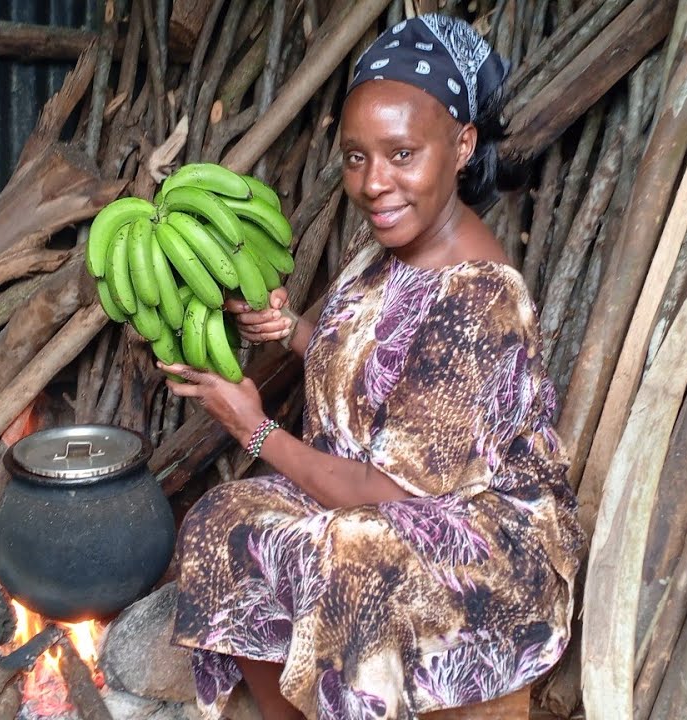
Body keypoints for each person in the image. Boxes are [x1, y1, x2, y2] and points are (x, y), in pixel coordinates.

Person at [157, 14, 583, 720]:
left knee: (353, 556)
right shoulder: (391, 254)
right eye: (357, 158)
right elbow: (382, 364)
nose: (374, 182)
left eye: (401, 154)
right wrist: (294, 333)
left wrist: (254, 430)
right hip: (382, 502)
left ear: (462, 145)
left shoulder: (477, 293)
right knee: (221, 519)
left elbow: (388, 490)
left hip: (487, 545)